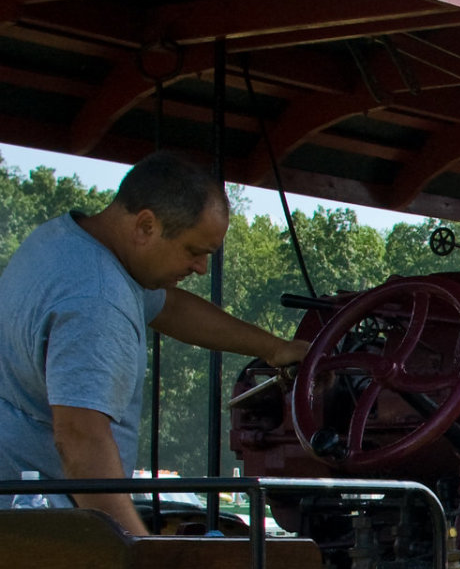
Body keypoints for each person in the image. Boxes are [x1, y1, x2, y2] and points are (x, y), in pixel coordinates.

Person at [0, 151, 309, 535]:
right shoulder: (97, 300)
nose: (200, 268)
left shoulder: (65, 243)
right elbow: (81, 441)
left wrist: (274, 348)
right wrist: (142, 556)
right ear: (146, 225)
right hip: (39, 530)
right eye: (194, 251)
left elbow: (169, 307)